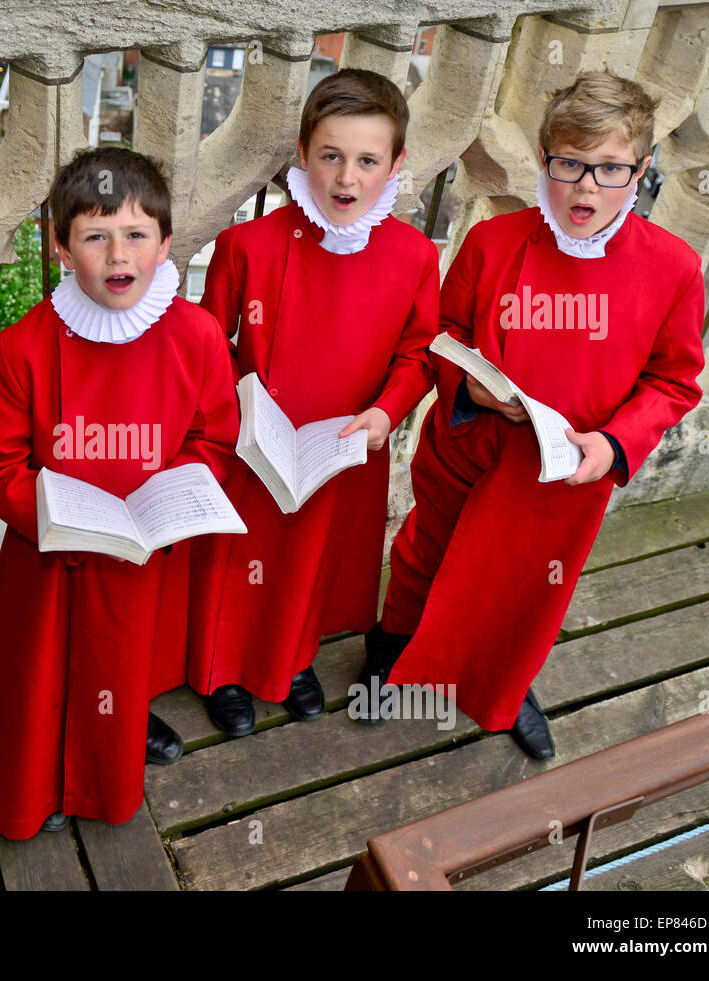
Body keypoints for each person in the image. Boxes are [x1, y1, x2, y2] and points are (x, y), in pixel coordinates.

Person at [360, 71, 705, 758]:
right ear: (544, 158)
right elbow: (444, 333)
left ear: (639, 170)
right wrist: (467, 383)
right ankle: (391, 651)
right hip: (469, 446)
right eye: (569, 163)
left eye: (609, 168)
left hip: (567, 472)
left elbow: (675, 379)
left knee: (530, 585)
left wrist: (613, 444)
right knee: (428, 553)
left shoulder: (675, 268)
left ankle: (504, 683)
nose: (585, 187)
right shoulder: (493, 242)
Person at [0, 147, 240, 840]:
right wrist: (58, 517)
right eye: (94, 235)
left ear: (166, 243)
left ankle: (110, 757)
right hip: (51, 558)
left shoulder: (198, 336)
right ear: (60, 247)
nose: (119, 254)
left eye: (137, 234)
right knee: (42, 674)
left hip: (143, 555)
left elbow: (214, 439)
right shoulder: (27, 345)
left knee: (122, 659)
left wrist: (172, 503)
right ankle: (37, 781)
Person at [188, 69, 439, 736]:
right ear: (302, 153)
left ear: (396, 165)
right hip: (257, 445)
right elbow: (209, 341)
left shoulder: (414, 257)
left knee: (313, 564)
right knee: (244, 562)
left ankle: (294, 661)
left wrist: (388, 410)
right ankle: (225, 671)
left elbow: (418, 355)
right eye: (330, 156)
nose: (346, 179)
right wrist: (233, 408)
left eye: (367, 161)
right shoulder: (247, 245)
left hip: (346, 446)